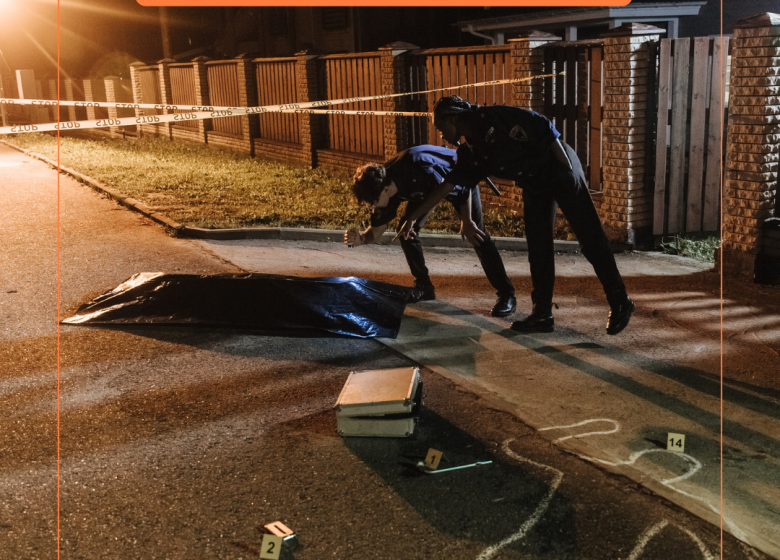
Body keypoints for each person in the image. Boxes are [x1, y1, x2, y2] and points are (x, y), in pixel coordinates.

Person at [397, 96, 634, 335]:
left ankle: (620, 301)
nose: (440, 134)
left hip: (558, 165)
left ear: (453, 119)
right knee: (538, 246)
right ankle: (542, 315)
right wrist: (412, 217)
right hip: (534, 181)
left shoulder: (494, 117)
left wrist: (566, 172)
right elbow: (447, 186)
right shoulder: (471, 151)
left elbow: (541, 124)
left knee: (590, 238)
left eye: (440, 127)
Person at [344, 144, 516, 317]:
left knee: (476, 235)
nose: (373, 206)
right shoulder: (382, 189)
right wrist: (361, 239)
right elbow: (375, 231)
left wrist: (467, 220)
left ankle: (506, 294)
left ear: (386, 189)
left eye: (373, 202)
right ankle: (424, 287)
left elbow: (461, 187)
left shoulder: (417, 167)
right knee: (406, 232)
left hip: (459, 178)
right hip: (426, 190)